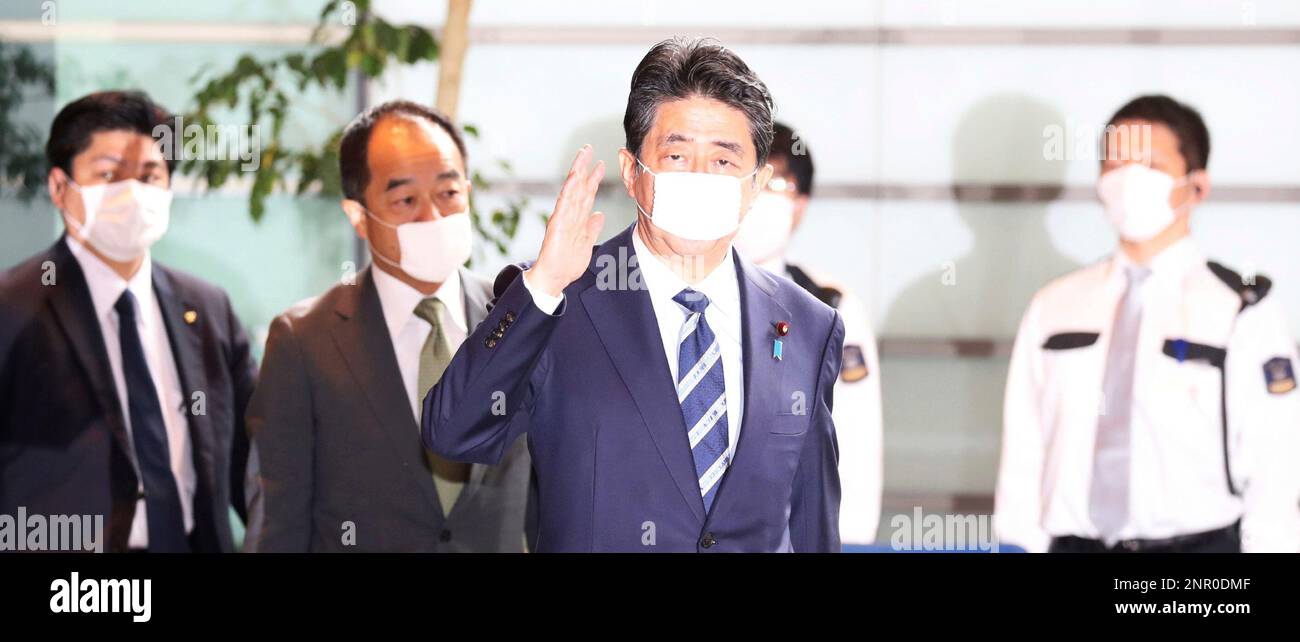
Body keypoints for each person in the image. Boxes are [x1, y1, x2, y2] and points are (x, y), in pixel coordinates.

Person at [423, 37, 844, 553]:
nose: (698, 177)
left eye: (723, 162)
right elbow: (453, 432)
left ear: (755, 184)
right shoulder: (561, 299)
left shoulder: (806, 324)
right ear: (631, 171)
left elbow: (813, 525)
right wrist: (544, 286)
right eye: (676, 154)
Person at [995, 94, 1300, 553]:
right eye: (1115, 166)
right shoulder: (1053, 305)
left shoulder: (1241, 309)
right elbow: (1024, 450)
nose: (1128, 181)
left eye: (1148, 165)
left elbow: (1276, 468)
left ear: (1196, 186)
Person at [246, 101, 532, 552]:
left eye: (448, 193)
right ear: (359, 216)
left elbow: (549, 498)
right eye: (404, 200)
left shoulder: (517, 318)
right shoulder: (303, 341)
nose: (432, 217)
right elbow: (280, 522)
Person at [0, 90, 256, 552]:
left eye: (148, 175)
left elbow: (252, 463)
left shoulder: (208, 308)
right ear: (60, 187)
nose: (131, 192)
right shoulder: (12, 308)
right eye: (108, 174)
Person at [732, 122, 883, 544]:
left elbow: (854, 436)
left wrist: (850, 535)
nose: (760, 201)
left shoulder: (829, 305)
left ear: (800, 204)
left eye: (776, 185)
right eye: (748, 182)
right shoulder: (682, 293)